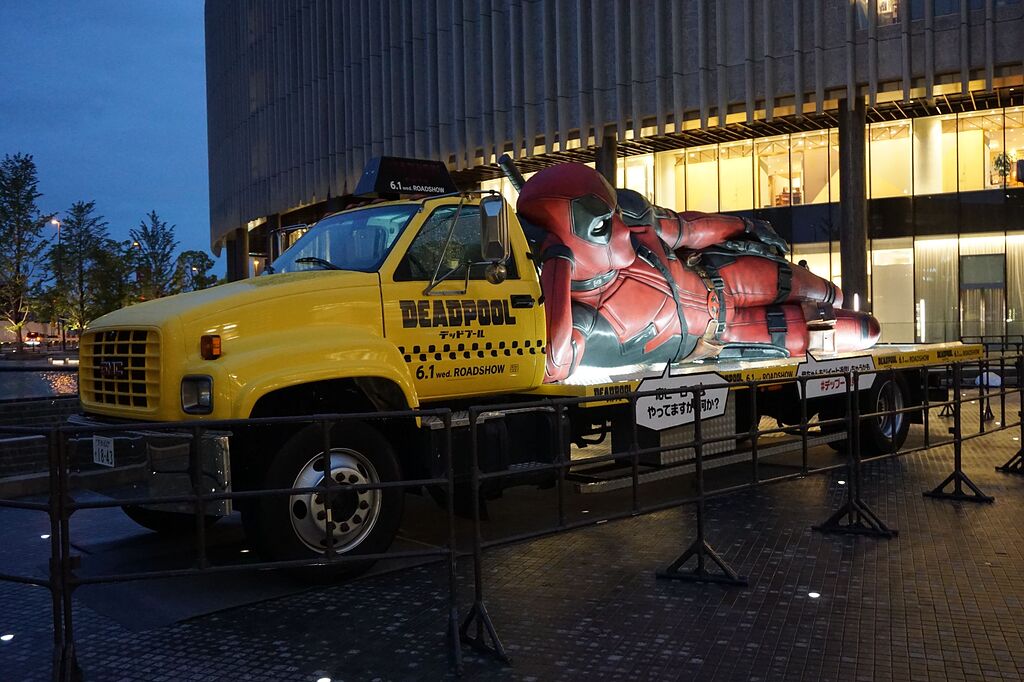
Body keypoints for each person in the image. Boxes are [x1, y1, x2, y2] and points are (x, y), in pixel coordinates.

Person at [516, 163, 879, 382]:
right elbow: (554, 363)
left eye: (613, 209)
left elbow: (690, 229)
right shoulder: (582, 320)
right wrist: (557, 263)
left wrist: (744, 225)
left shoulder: (635, 220)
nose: (621, 227)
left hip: (725, 275)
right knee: (852, 328)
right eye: (601, 225)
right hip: (722, 337)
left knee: (830, 294)